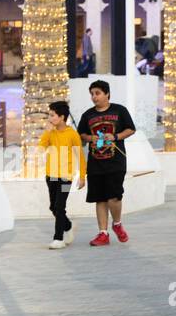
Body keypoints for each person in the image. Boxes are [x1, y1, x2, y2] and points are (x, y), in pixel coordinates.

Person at [77, 80, 136, 247]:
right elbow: (81, 134)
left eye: (97, 93)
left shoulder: (119, 110)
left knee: (114, 197)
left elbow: (131, 129)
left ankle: (117, 223)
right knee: (100, 198)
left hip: (116, 161)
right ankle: (103, 233)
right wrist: (90, 138)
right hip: (96, 163)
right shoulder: (88, 115)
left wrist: (115, 137)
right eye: (92, 94)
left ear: (107, 94)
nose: (94, 97)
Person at [39, 101, 83, 249]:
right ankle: (69, 226)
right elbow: (41, 147)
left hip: (66, 178)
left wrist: (82, 176)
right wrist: (47, 131)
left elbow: (80, 156)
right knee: (53, 207)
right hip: (50, 176)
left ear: (62, 117)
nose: (49, 118)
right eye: (49, 115)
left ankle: (58, 239)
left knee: (59, 206)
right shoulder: (50, 133)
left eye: (52, 115)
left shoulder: (72, 134)